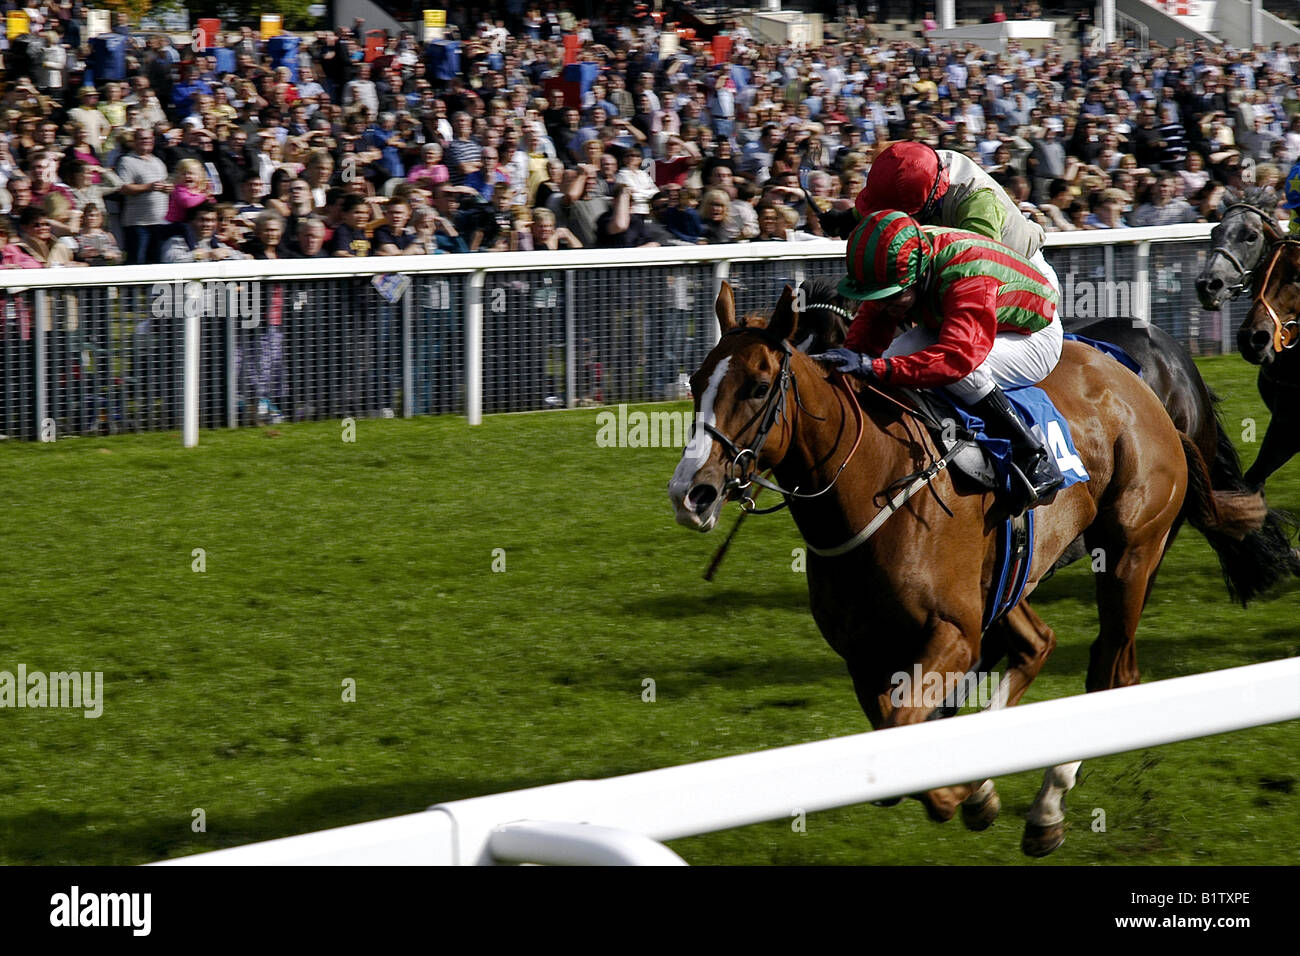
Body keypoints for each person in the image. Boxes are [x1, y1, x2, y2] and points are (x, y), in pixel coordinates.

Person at [818, 210, 1065, 512]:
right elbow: (866, 342)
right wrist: (845, 365)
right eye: (876, 297)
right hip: (974, 317)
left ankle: (1033, 455)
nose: (882, 306)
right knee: (893, 356)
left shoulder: (966, 275)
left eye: (891, 298)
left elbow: (958, 358)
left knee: (963, 372)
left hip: (1035, 335)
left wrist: (875, 368)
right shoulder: (898, 270)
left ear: (919, 276)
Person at [825, 141, 1057, 293]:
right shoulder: (918, 164)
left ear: (923, 205)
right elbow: (889, 199)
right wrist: (849, 217)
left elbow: (979, 269)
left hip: (1018, 278)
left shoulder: (977, 202)